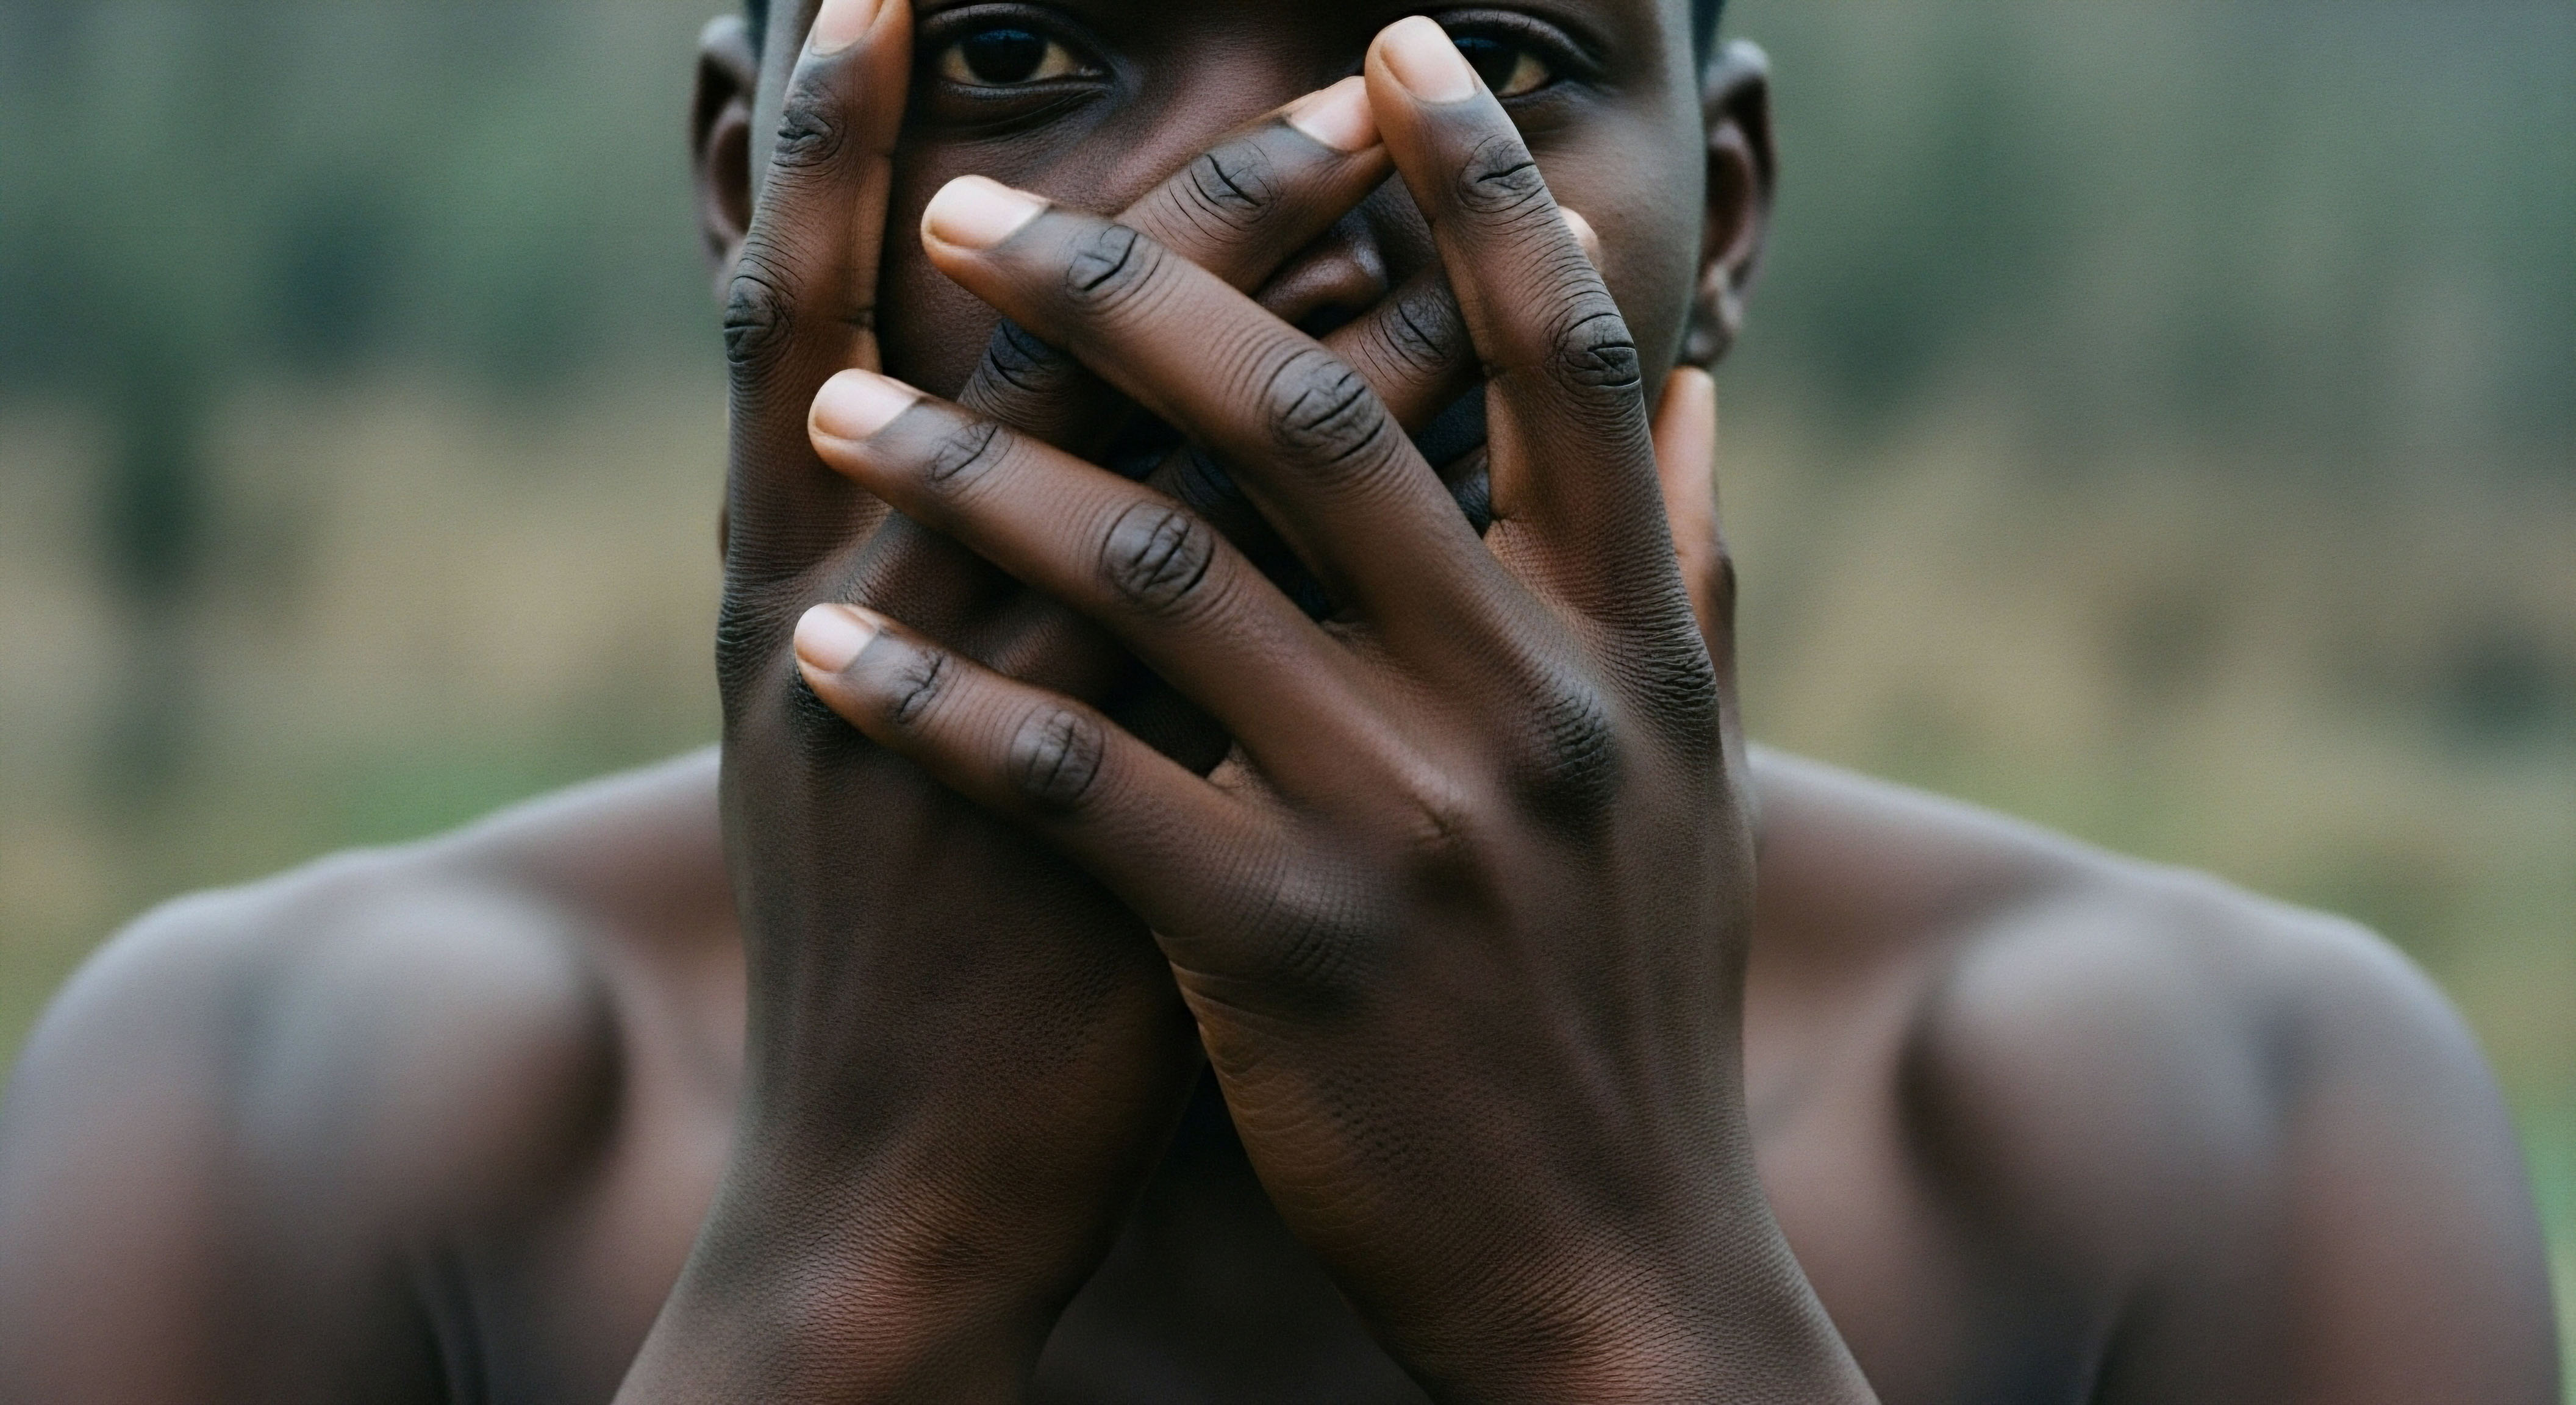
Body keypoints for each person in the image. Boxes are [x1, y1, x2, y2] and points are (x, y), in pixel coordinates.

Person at [0, 0, 2556, 1399]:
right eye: (1020, 58)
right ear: (746, 189)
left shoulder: (2228, 1126)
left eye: (1492, 60)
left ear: (1726, 220)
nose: (1238, 247)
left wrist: (1629, 1291)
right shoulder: (283, 1108)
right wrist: (862, 1263)